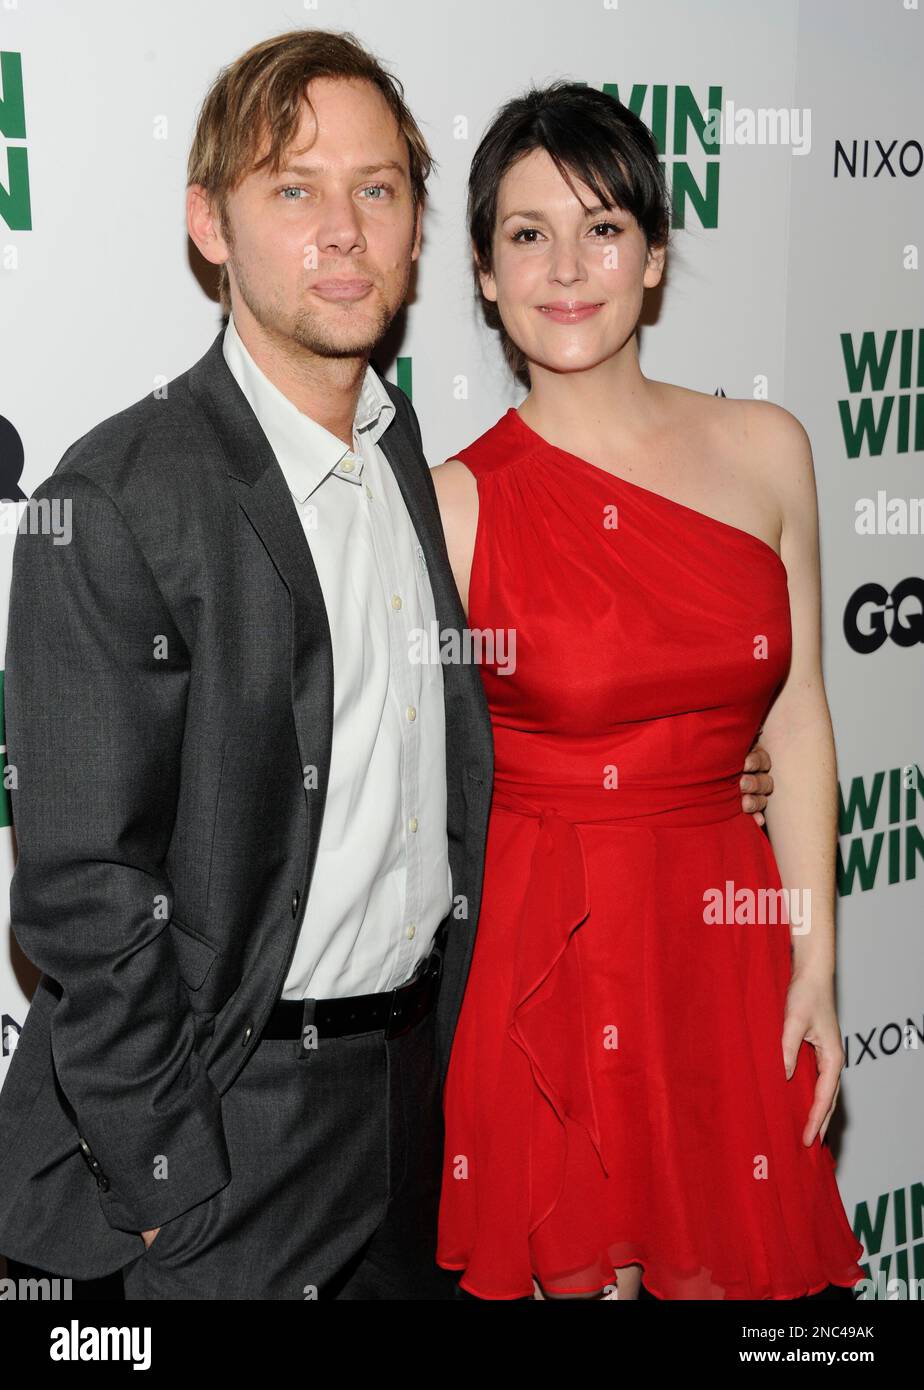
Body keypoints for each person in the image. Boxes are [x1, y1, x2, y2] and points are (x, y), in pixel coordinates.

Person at [0, 34, 773, 1301]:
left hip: (422, 1104)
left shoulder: (417, 458)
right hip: (223, 1131)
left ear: (418, 229)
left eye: (378, 190)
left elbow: (498, 722)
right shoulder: (121, 498)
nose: (345, 231)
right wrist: (164, 1181)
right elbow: (84, 891)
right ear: (210, 223)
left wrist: (698, 771)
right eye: (293, 189)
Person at [431, 82, 866, 1301]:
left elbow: (800, 716)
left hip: (721, 946)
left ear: (656, 256)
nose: (568, 267)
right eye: (528, 234)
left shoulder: (768, 447)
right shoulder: (454, 504)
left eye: (604, 227)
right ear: (481, 270)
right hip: (545, 960)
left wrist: (816, 967)